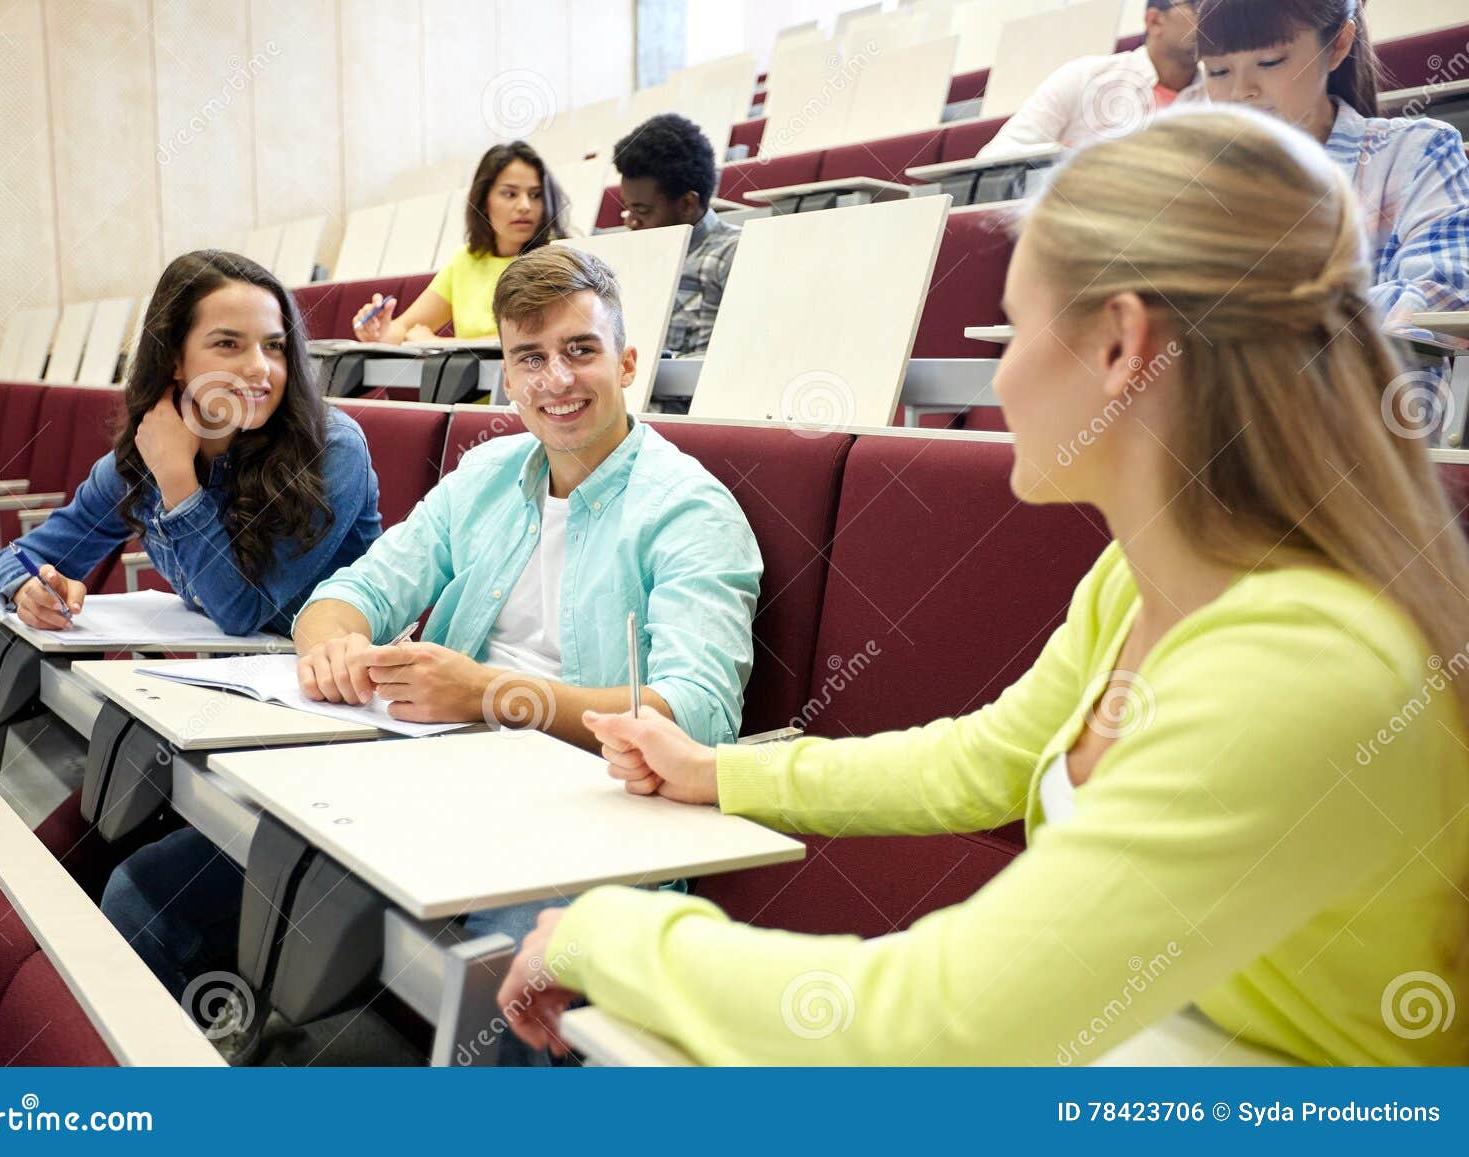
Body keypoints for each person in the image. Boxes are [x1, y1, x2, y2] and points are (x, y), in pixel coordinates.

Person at [495, 108, 1469, 1066]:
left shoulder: (1300, 664)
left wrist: (599, 932)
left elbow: (930, 1024)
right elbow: (986, 759)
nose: (994, 382)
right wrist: (721, 773)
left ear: (1123, 346)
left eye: (1011, 330)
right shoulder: (1141, 573)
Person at [109, 245, 763, 1062]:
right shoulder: (486, 475)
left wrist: (490, 693)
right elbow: (344, 598)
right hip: (424, 783)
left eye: (580, 350)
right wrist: (337, 648)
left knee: (489, 981)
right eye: (530, 358)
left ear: (629, 362)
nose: (555, 378)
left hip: (591, 823)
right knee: (143, 892)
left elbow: (697, 719)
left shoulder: (692, 511)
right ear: (508, 378)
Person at [0, 250, 381, 637]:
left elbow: (241, 611)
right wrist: (30, 590)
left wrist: (178, 483)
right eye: (229, 344)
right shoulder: (145, 455)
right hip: (227, 678)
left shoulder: (332, 449)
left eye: (274, 346)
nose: (260, 367)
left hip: (341, 685)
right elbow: (20, 557)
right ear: (173, 359)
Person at [1197, 0, 1469, 337]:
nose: (1240, 92)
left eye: (1269, 62)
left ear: (1338, 45)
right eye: (1217, 71)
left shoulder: (1415, 152)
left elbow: (1445, 293)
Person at [352, 141, 569, 343]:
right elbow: (406, 328)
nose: (525, 206)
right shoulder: (465, 260)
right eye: (510, 194)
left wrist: (440, 344)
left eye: (536, 195)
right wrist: (378, 331)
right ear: (484, 202)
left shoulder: (557, 258)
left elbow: (532, 340)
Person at [978, 0, 1204, 157]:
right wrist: (1069, 156)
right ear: (1154, 21)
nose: (1212, 19)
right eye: (1198, 6)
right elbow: (994, 156)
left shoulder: (1224, 95)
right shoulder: (1084, 76)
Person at [612, 113, 740, 357]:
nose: (630, 221)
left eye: (642, 211)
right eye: (626, 208)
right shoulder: (632, 255)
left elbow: (732, 360)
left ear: (687, 204)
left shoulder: (733, 256)